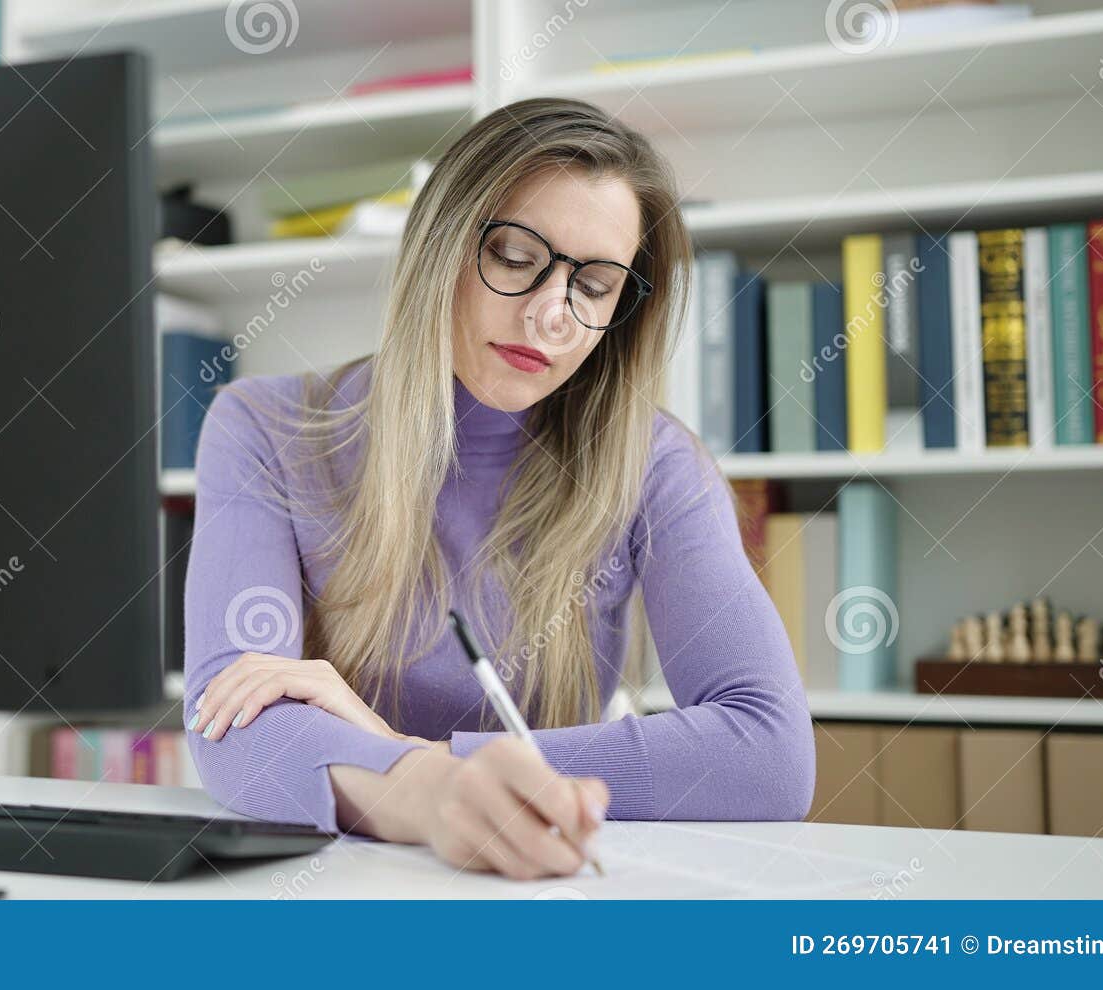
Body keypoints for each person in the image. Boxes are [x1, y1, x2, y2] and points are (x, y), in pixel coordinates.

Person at [181, 97, 814, 880]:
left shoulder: (654, 461)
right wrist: (441, 791)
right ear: (439, 245)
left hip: (533, 891)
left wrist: (417, 763)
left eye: (596, 284)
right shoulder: (267, 428)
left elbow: (770, 755)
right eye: (516, 256)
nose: (554, 315)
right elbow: (231, 725)